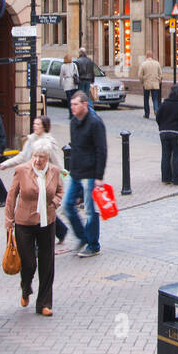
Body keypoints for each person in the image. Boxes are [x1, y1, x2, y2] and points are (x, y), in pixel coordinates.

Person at [4, 138, 63, 317]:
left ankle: (44, 303)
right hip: (24, 222)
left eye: (42, 157)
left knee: (47, 263)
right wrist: (9, 220)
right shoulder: (22, 170)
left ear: (48, 158)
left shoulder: (54, 171)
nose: (38, 160)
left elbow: (59, 191)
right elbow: (11, 196)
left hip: (47, 221)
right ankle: (25, 287)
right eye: (36, 156)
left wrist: (55, 201)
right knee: (29, 262)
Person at [2, 115, 68, 242]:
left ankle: (57, 232)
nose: (35, 126)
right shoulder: (31, 140)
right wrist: (6, 164)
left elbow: (58, 163)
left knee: (45, 205)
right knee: (37, 206)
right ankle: (60, 231)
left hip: (46, 178)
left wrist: (64, 177)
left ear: (44, 126)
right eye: (34, 124)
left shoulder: (48, 143)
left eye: (38, 124)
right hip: (29, 178)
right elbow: (22, 157)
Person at [62, 92, 107, 258]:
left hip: (91, 173)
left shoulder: (95, 123)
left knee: (90, 209)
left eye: (76, 104)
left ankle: (93, 244)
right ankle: (83, 237)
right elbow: (75, 147)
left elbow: (101, 150)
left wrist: (99, 176)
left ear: (85, 104)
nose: (72, 107)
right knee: (67, 205)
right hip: (76, 172)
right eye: (71, 104)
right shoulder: (73, 122)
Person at [138, 51, 162, 120]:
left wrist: (142, 81)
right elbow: (160, 73)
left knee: (146, 99)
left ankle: (147, 114)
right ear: (152, 56)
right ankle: (156, 110)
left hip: (146, 83)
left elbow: (140, 75)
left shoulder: (143, 64)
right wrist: (159, 79)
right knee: (155, 99)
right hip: (155, 83)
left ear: (146, 56)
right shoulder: (157, 63)